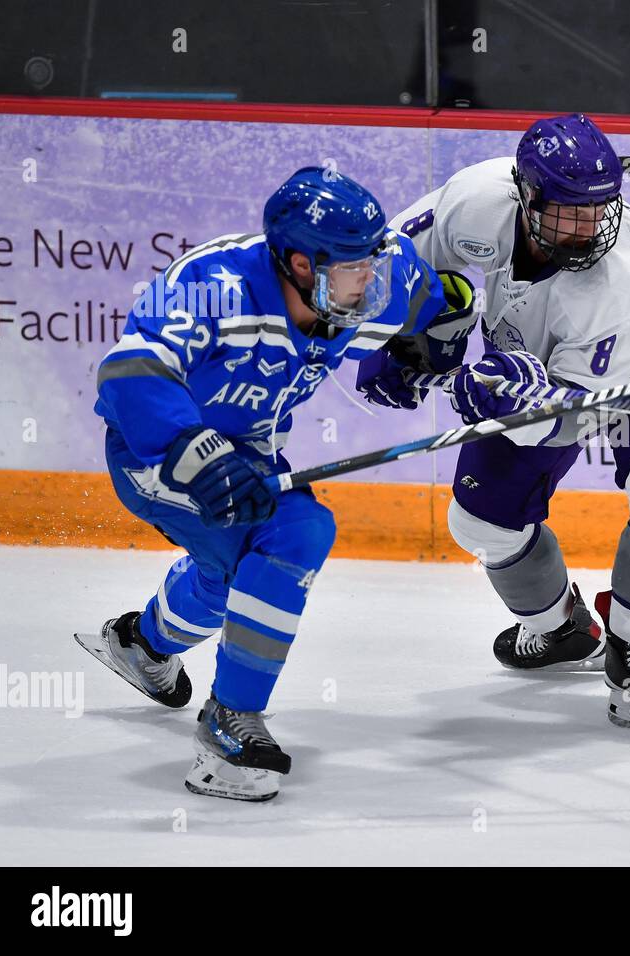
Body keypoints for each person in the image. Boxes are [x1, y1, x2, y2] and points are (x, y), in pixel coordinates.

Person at [81, 167, 448, 800]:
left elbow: (433, 300)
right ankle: (229, 725)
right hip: (161, 457)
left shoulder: (369, 281)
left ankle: (142, 645)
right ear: (302, 265)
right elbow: (129, 369)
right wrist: (195, 454)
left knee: (236, 576)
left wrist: (443, 344)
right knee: (298, 533)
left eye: (373, 262)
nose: (371, 281)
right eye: (354, 268)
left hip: (252, 450)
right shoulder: (213, 288)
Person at [360, 114, 630, 736]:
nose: (588, 229)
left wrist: (505, 405)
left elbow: (573, 418)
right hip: (529, 360)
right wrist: (397, 341)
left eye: (598, 210)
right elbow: (382, 268)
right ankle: (559, 630)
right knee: (478, 522)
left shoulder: (618, 280)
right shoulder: (475, 201)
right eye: (568, 213)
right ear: (524, 194)